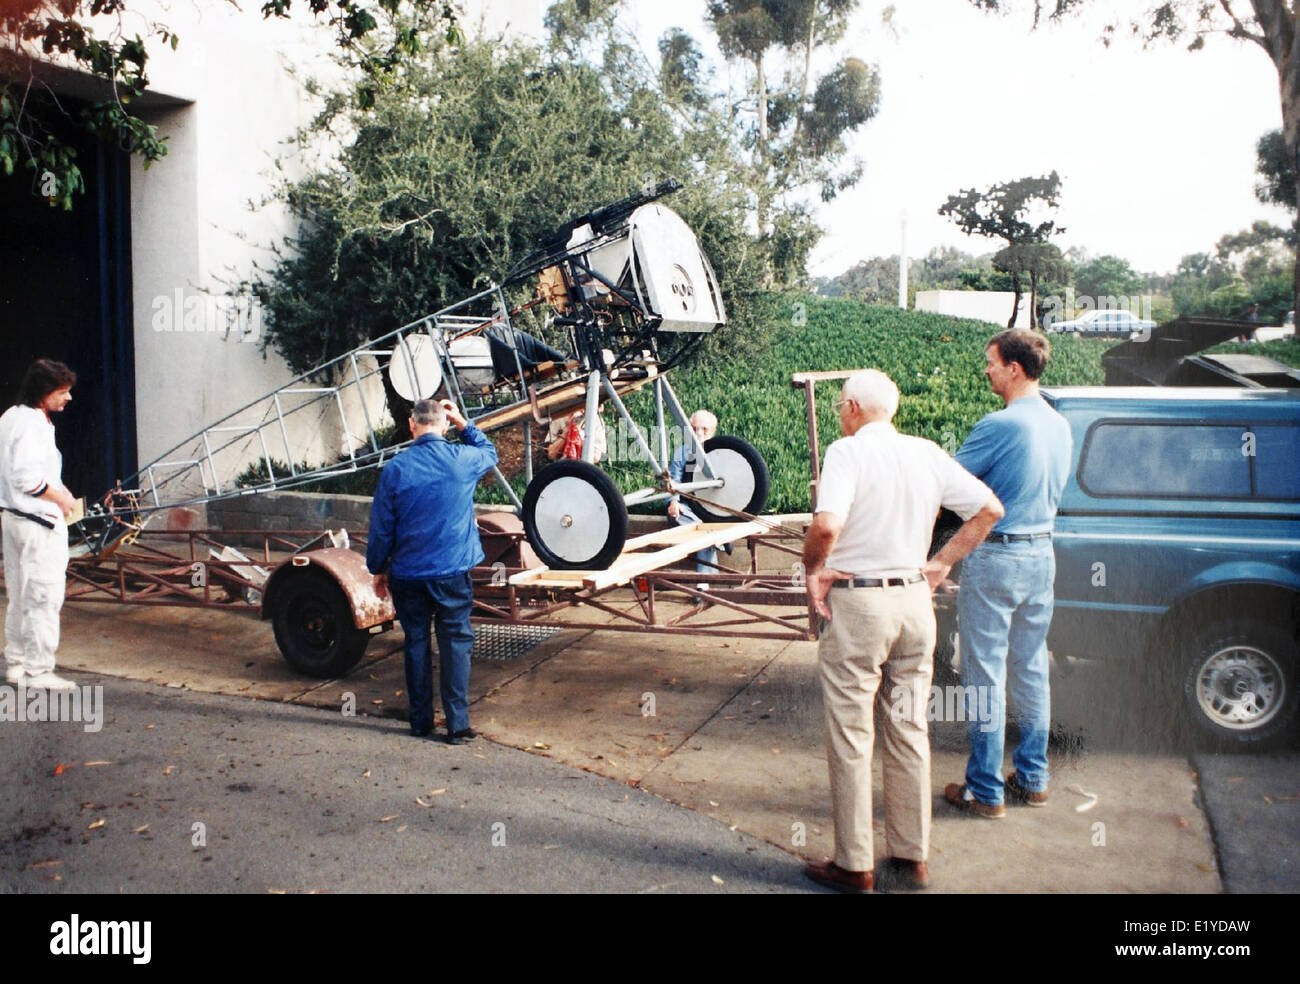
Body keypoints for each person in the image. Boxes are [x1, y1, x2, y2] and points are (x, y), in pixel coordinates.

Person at [802, 370, 1003, 893]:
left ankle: (855, 864)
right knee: (910, 729)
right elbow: (989, 510)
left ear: (851, 408)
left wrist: (814, 571)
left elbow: (826, 526)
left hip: (861, 605)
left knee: (852, 733)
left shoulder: (848, 453)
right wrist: (940, 563)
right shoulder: (927, 452)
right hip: (915, 602)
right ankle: (911, 858)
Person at [944, 329, 1073, 819]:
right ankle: (1033, 778)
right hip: (1042, 556)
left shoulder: (1001, 424)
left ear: (1014, 369)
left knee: (984, 678)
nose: (988, 370)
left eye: (992, 362)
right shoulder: (1058, 424)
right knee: (1031, 668)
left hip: (998, 558)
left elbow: (950, 485)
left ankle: (984, 791)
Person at [366, 398, 498, 744]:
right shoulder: (462, 461)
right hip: (452, 572)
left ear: (412, 425)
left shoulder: (396, 469)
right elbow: (489, 451)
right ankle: (458, 725)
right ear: (442, 425)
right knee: (455, 641)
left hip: (408, 574)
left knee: (417, 641)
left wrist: (378, 568)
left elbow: (382, 527)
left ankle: (421, 722)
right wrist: (463, 423)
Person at [0, 359, 79, 691]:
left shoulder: (11, 417)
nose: (68, 398)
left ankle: (15, 663)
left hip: (14, 520)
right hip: (38, 524)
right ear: (44, 393)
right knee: (44, 596)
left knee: (19, 594)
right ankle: (39, 670)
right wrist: (61, 500)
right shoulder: (32, 424)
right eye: (63, 392)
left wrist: (61, 489)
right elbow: (27, 478)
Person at [667, 410, 719, 593]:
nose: (699, 433)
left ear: (712, 431)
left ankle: (703, 582)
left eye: (704, 429)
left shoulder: (719, 451)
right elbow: (673, 480)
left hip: (712, 508)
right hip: (688, 506)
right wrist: (674, 501)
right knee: (682, 516)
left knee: (705, 528)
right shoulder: (682, 452)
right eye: (695, 428)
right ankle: (703, 583)